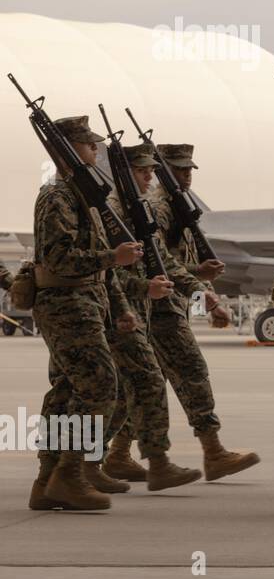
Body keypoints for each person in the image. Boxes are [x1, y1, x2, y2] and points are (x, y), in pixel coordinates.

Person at [28, 116, 142, 511]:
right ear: (71, 149)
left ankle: (47, 481)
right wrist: (114, 255)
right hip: (66, 304)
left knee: (65, 393)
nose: (97, 152)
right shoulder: (57, 196)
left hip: (85, 302)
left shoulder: (83, 196)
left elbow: (99, 270)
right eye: (91, 145)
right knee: (98, 386)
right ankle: (69, 474)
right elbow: (60, 259)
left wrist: (120, 308)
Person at [145, 144, 260, 480]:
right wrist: (205, 294)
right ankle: (213, 452)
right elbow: (162, 263)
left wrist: (207, 292)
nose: (187, 175)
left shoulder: (178, 207)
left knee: (144, 384)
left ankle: (120, 455)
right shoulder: (159, 208)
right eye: (180, 169)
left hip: (170, 304)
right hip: (160, 308)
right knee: (192, 372)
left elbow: (186, 264)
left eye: (190, 169)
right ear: (162, 171)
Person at [100, 142, 203, 492]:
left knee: (122, 392)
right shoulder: (113, 212)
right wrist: (145, 288)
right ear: (124, 172)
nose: (149, 176)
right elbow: (107, 271)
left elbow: (164, 259)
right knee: (139, 383)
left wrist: (198, 289)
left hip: (133, 313)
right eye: (142, 170)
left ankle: (87, 461)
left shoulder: (137, 210)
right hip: (112, 315)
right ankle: (154, 463)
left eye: (150, 169)